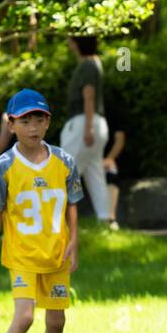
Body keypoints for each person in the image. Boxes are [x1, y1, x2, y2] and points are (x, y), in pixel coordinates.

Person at [0, 89, 83, 333]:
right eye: (25, 120)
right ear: (11, 125)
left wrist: (74, 241)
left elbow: (72, 205)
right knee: (24, 317)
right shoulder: (4, 165)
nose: (33, 126)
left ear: (48, 122)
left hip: (56, 255)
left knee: (56, 321)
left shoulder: (65, 162)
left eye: (39, 119)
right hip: (22, 255)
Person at [59, 36, 112, 225]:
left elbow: (88, 95)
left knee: (64, 171)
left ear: (76, 42)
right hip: (95, 123)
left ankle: (54, 220)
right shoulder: (93, 63)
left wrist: (88, 128)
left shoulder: (88, 65)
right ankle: (105, 220)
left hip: (84, 123)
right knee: (94, 172)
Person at [102, 86, 128, 230]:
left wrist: (109, 159)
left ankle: (111, 219)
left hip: (105, 159)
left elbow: (120, 140)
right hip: (87, 160)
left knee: (111, 172)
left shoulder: (113, 115)